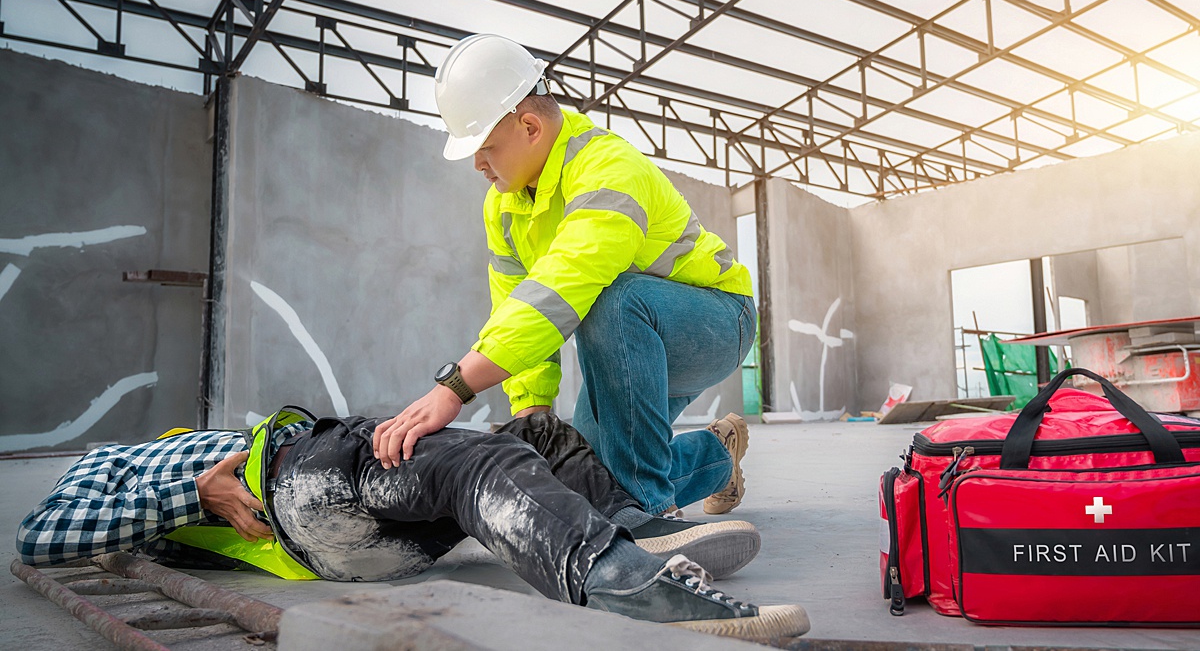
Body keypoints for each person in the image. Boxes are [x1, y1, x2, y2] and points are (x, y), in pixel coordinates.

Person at [373, 34, 756, 518]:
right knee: (589, 478)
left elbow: (562, 286)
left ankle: (648, 516)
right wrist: (532, 412)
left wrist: (456, 387)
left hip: (715, 322)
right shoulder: (504, 208)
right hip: (634, 342)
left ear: (530, 126)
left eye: (485, 147)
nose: (478, 164)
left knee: (613, 298)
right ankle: (718, 458)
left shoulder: (608, 167)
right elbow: (515, 303)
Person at [17, 408, 808, 640]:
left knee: (531, 432)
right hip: (303, 484)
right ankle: (625, 584)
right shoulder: (106, 461)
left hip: (336, 519)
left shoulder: (181, 445)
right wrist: (193, 496)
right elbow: (38, 537)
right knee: (480, 466)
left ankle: (633, 528)